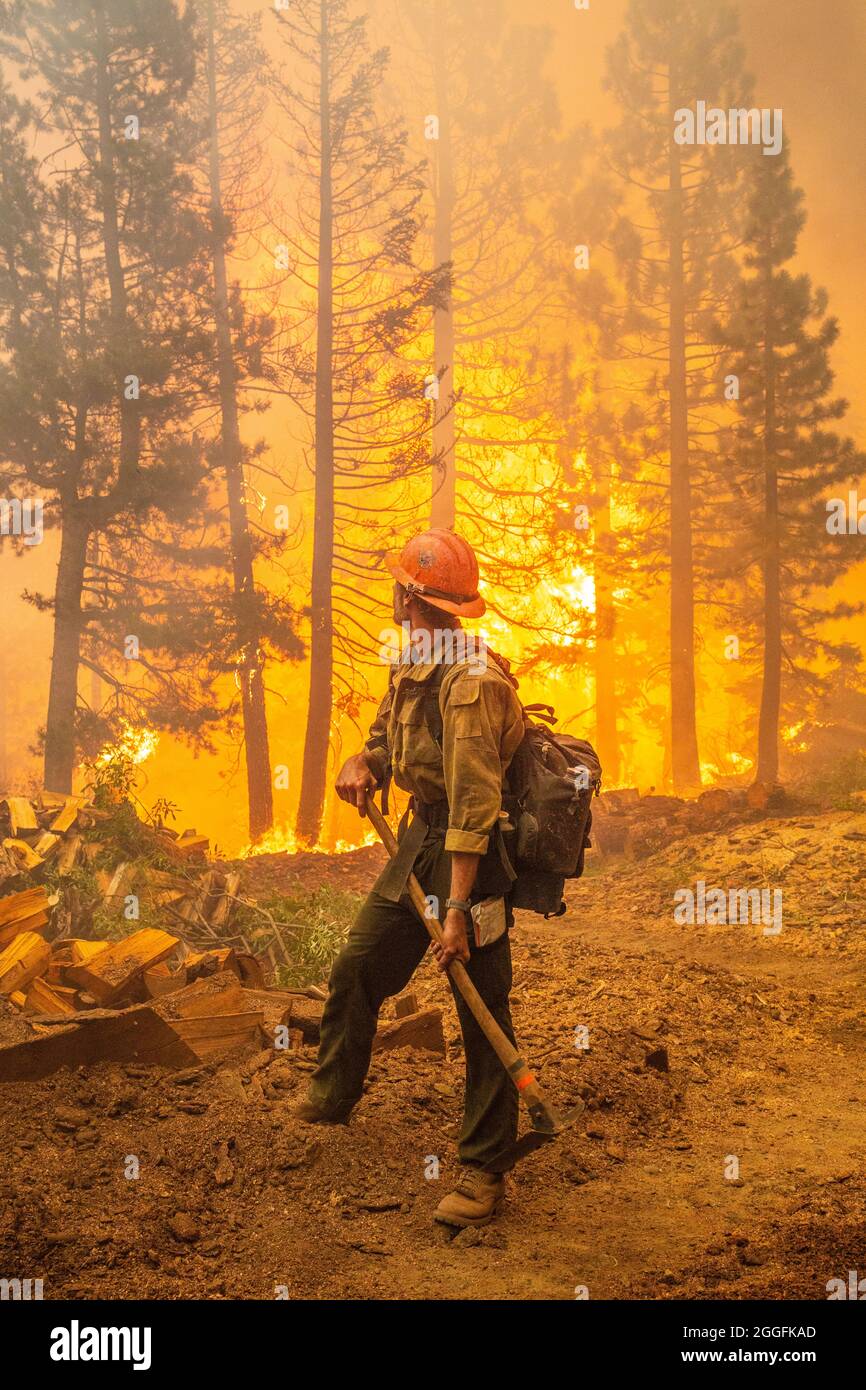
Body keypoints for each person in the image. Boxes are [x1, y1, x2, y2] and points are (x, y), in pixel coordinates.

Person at [295, 528, 525, 1227]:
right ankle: (332, 1096)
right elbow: (389, 737)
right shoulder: (416, 661)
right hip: (421, 840)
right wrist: (364, 762)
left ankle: (485, 1169)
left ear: (410, 598)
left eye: (398, 589)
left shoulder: (470, 684)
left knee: (479, 1007)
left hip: (472, 856)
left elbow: (476, 806)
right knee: (359, 964)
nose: (393, 599)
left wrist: (456, 910)